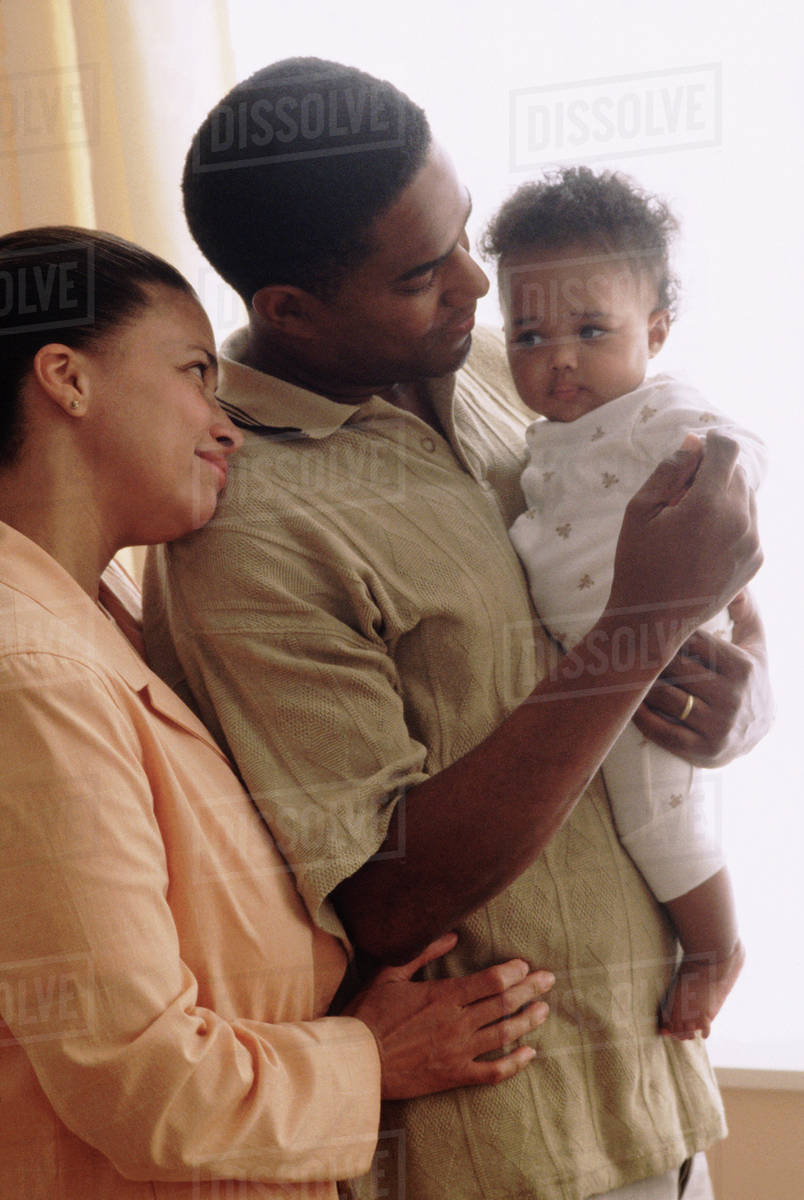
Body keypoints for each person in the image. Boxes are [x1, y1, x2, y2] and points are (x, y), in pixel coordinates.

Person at [144, 59, 768, 1200]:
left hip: (659, 1086)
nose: (482, 284)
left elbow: (699, 580)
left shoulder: (512, 374)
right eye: (425, 273)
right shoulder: (244, 523)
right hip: (508, 1148)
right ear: (289, 310)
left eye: (467, 233)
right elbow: (384, 893)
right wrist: (639, 630)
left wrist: (737, 683)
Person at [0, 225, 557, 1200]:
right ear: (66, 379)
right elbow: (146, 1086)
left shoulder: (102, 618)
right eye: (192, 374)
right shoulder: (31, 675)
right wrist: (372, 1061)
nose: (224, 426)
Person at [482, 166, 767, 1040]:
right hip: (600, 664)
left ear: (655, 330)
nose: (557, 356)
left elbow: (738, 456)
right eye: (528, 334)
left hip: (663, 667)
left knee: (659, 820)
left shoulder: (658, 410)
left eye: (590, 330)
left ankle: (716, 947)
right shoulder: (543, 432)